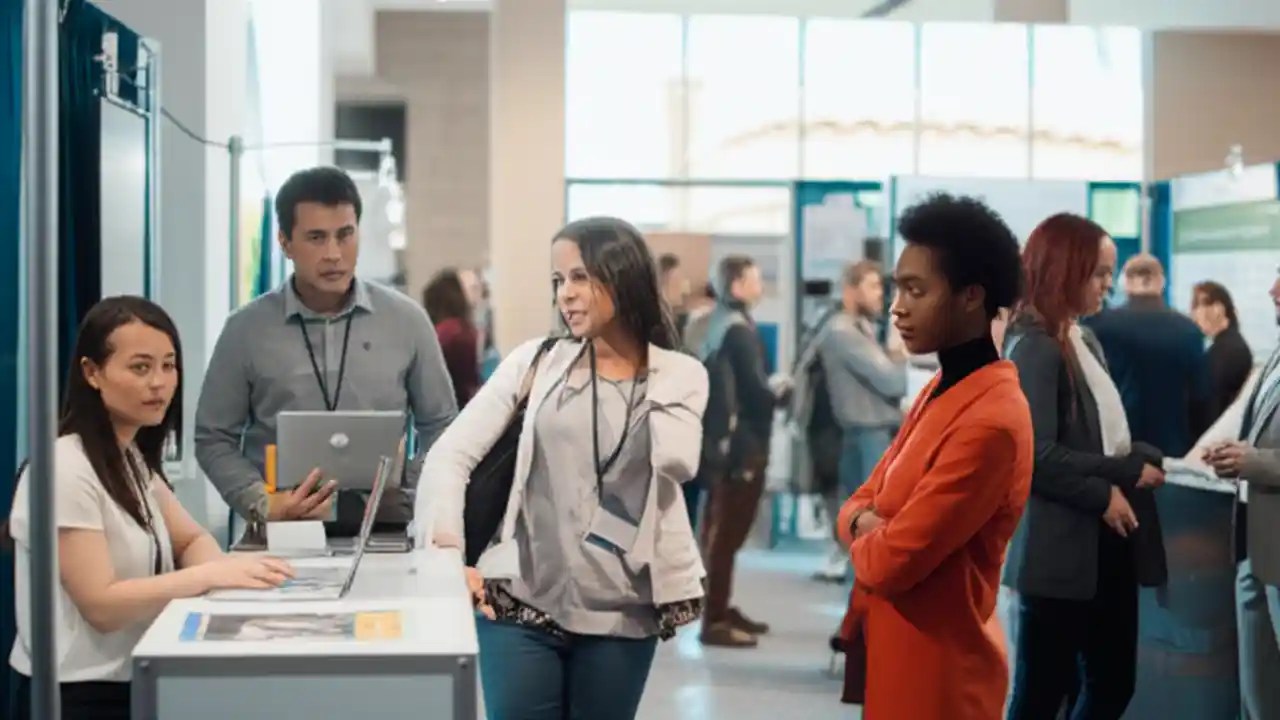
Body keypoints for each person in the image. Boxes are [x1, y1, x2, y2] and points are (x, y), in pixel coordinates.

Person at [416, 217, 708, 719]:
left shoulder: (677, 374)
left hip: (623, 610)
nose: (565, 296)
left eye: (579, 278)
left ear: (621, 277)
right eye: (557, 282)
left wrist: (648, 380)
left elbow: (679, 462)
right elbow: (451, 454)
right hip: (521, 601)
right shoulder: (536, 362)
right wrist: (447, 550)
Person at [4, 297, 292, 720]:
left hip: (129, 678)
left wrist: (227, 584)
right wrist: (210, 575)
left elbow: (190, 537)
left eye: (169, 365)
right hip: (74, 694)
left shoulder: (130, 458)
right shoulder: (65, 467)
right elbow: (101, 606)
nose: (159, 382)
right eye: (140, 367)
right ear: (92, 373)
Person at [834, 193, 1033, 719]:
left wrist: (864, 526)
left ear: (971, 296)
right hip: (902, 659)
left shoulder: (992, 420)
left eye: (915, 290)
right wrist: (869, 521)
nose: (898, 306)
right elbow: (859, 503)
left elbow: (891, 563)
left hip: (942, 678)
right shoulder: (944, 387)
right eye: (897, 288)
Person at [195, 166, 457, 529]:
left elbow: (443, 425)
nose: (334, 253)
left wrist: (408, 488)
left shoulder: (406, 321)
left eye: (345, 235)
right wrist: (261, 501)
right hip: (280, 533)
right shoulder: (246, 330)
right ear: (285, 242)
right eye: (316, 238)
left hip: (385, 529)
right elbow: (213, 437)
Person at [1004, 214, 1168, 720]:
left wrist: (1138, 456)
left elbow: (1099, 437)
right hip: (1061, 549)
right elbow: (1036, 453)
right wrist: (1112, 483)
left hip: (1105, 546)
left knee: (1109, 684)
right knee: (1042, 694)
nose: (1108, 284)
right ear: (1063, 271)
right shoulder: (1033, 345)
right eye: (1099, 273)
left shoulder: (1082, 338)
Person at [698, 255, 786, 648]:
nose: (759, 285)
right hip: (741, 450)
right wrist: (780, 390)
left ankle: (720, 606)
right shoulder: (738, 331)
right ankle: (714, 618)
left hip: (722, 446)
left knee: (722, 533)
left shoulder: (716, 324)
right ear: (736, 286)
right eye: (753, 279)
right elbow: (756, 393)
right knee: (726, 535)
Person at [1204, 267, 1280, 719]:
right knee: (1257, 692)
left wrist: (1253, 463)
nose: (1272, 289)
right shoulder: (1272, 354)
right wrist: (1233, 455)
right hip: (1253, 544)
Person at [813, 260, 907, 582]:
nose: (880, 294)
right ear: (850, 291)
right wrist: (899, 355)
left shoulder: (857, 329)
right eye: (872, 287)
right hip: (867, 436)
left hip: (871, 434)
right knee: (869, 529)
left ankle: (861, 616)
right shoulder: (842, 333)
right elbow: (893, 382)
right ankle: (861, 616)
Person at [1085, 253, 1209, 458]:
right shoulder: (1189, 331)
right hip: (1174, 448)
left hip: (1114, 449)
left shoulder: (1098, 327)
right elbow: (1201, 397)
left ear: (1125, 282)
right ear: (1162, 282)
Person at [1191, 280, 1254, 430]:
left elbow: (1213, 404)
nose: (1193, 315)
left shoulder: (1226, 351)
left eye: (1195, 306)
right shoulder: (1230, 345)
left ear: (1217, 309)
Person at [424, 268, 481, 408]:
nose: (478, 295)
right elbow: (468, 384)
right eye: (472, 288)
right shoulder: (459, 333)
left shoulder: (437, 331)